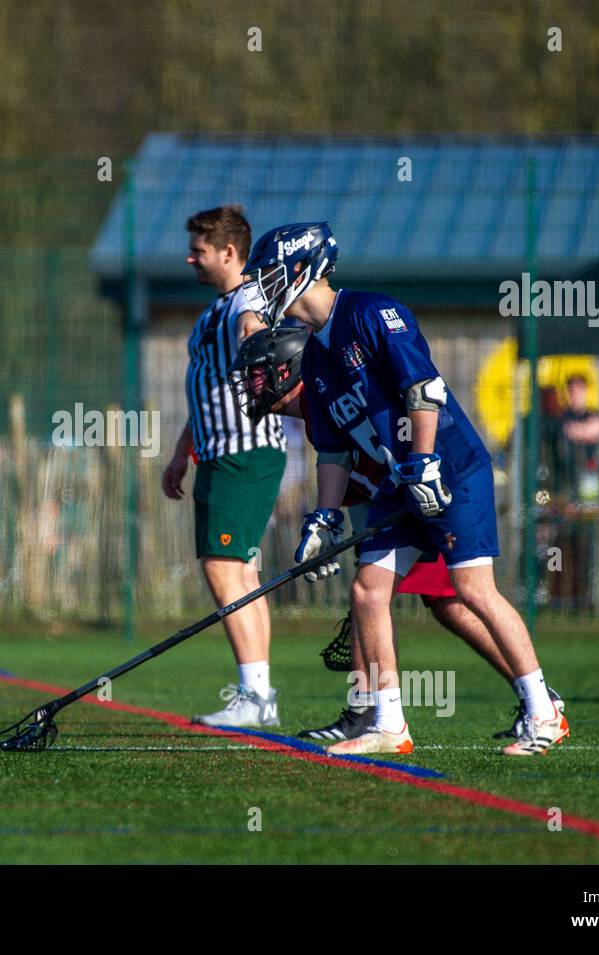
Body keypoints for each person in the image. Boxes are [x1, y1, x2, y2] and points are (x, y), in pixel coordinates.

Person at [236, 221, 569, 756]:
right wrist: (322, 519)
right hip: (399, 480)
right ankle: (389, 723)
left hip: (448, 467)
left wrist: (425, 463)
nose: (262, 287)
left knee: (471, 591)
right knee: (368, 589)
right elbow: (335, 450)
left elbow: (424, 388)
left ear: (305, 268)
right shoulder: (316, 358)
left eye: (270, 274)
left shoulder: (370, 313)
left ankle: (544, 710)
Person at [160, 205, 285, 728]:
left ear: (229, 253)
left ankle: (253, 694)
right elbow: (207, 389)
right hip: (216, 452)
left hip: (245, 452)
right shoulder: (214, 308)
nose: (190, 258)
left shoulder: (246, 301)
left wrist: (257, 348)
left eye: (200, 251)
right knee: (244, 573)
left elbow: (254, 337)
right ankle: (262, 696)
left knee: (222, 567)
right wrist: (180, 453)